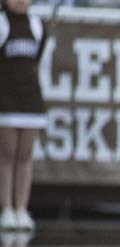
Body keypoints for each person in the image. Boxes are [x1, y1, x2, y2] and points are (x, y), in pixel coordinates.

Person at [0, 0, 45, 232]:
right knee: (7, 155)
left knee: (25, 156)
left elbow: (37, 58)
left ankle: (21, 208)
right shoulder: (2, 23)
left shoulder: (37, 25)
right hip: (6, 101)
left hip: (31, 100)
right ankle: (6, 208)